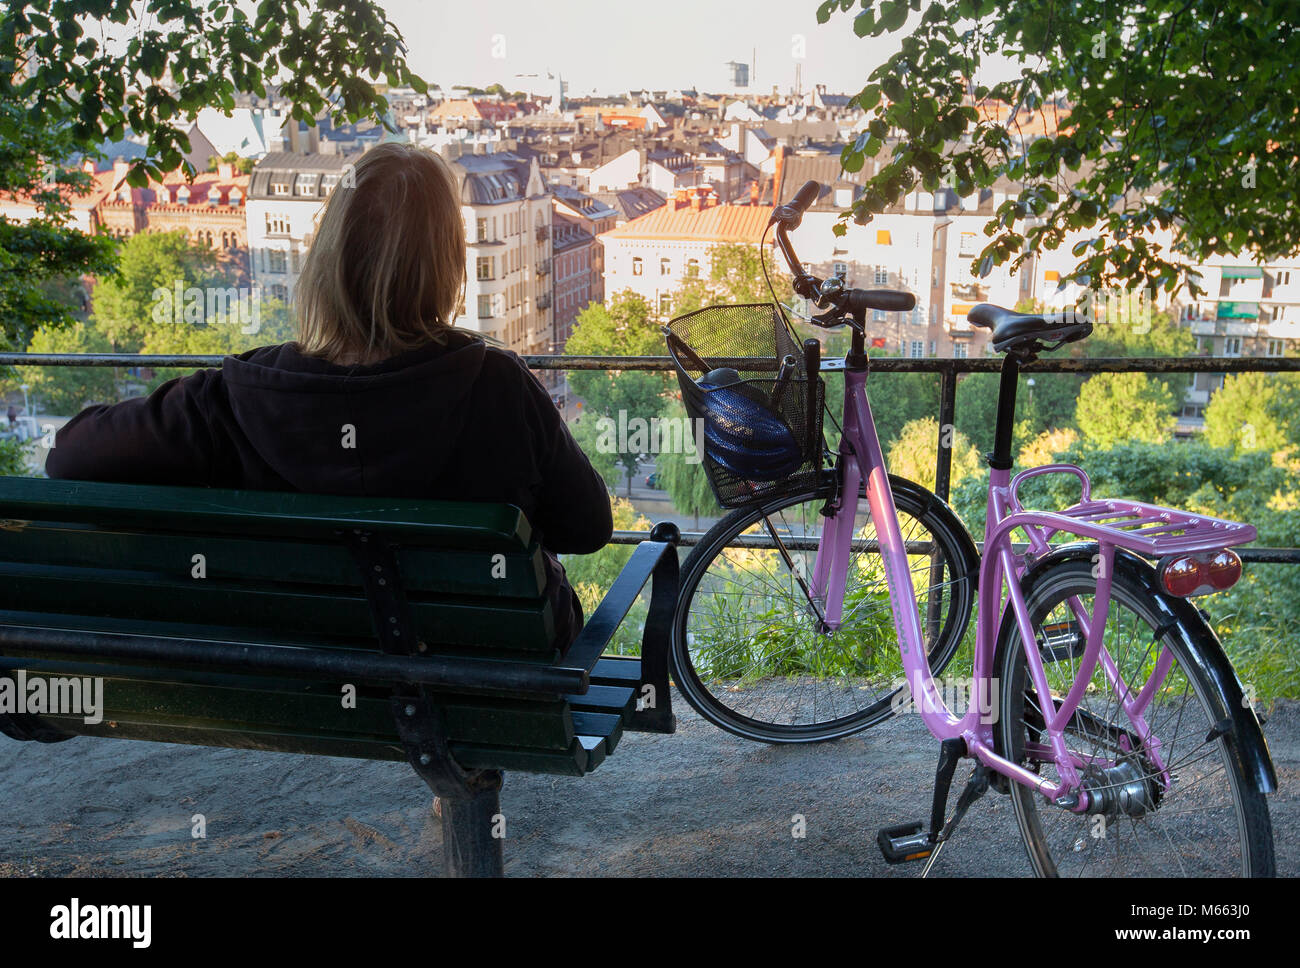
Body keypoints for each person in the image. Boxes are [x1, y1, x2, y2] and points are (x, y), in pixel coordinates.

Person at [46, 142, 612, 652]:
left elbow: (69, 456)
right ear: (446, 266)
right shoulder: (498, 386)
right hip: (491, 659)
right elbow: (587, 529)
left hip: (303, 660)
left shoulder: (232, 397)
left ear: (325, 258)